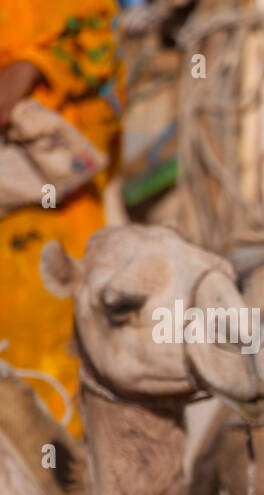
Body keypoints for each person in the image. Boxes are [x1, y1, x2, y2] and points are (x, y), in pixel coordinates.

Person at [0, 1, 122, 436]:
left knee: (52, 360)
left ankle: (59, 480)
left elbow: (100, 48)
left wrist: (31, 69)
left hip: (45, 206)